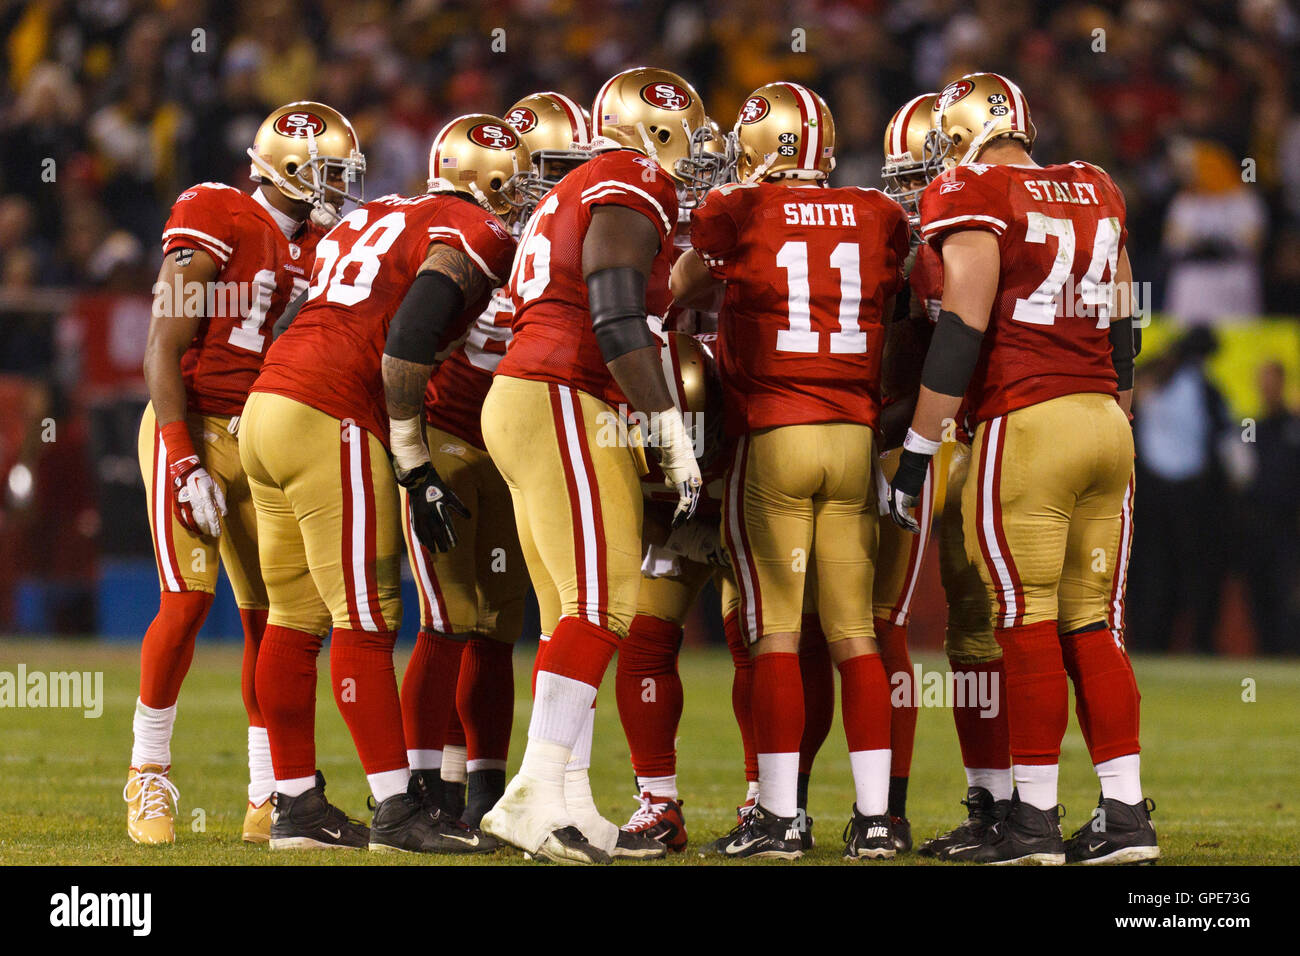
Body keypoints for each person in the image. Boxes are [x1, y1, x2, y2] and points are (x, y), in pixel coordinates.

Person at [890, 73, 1157, 865]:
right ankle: (1125, 815)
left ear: (967, 129)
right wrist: (1120, 402)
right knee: (1094, 624)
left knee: (1026, 618)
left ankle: (1032, 820)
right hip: (1106, 422)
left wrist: (916, 453)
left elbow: (962, 331)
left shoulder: (971, 188)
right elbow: (1124, 312)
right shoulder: (1096, 185)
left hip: (1028, 421)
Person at [239, 113, 520, 853]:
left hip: (268, 404)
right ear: (487, 182)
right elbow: (410, 337)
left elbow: (294, 319)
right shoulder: (474, 230)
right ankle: (400, 810)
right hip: (332, 412)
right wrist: (413, 458)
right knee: (366, 619)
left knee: (295, 620)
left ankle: (295, 803)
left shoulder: (370, 217)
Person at [673, 81, 910, 860]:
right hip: (853, 435)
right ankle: (878, 821)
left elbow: (672, 295)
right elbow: (911, 304)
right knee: (854, 633)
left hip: (776, 434)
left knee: (774, 630)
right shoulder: (880, 212)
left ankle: (779, 816)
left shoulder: (738, 211)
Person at [478, 66, 708, 865]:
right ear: (659, 130)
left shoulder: (570, 188)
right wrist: (672, 434)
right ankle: (535, 790)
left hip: (525, 394)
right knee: (605, 603)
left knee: (565, 610)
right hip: (563, 391)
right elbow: (613, 315)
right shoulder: (633, 174)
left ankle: (566, 801)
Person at [125, 101, 361, 845]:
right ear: (286, 167)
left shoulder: (324, 246)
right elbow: (163, 344)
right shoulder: (217, 211)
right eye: (327, 171)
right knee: (187, 604)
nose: (337, 187)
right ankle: (148, 775)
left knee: (273, 617)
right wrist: (183, 455)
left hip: (259, 436)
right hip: (188, 422)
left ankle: (268, 789)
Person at [395, 91, 593, 829]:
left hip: (514, 448)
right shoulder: (466, 236)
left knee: (497, 623)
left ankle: (479, 792)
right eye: (547, 169)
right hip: (448, 435)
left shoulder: (556, 241)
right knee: (448, 616)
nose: (556, 185)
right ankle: (424, 794)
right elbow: (409, 338)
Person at [875, 93, 1008, 857]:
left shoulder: (981, 226)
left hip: (991, 431)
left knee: (997, 621)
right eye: (902, 178)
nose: (909, 193)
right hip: (940, 434)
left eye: (922, 174)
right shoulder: (906, 244)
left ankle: (1018, 803)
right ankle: (992, 800)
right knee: (968, 625)